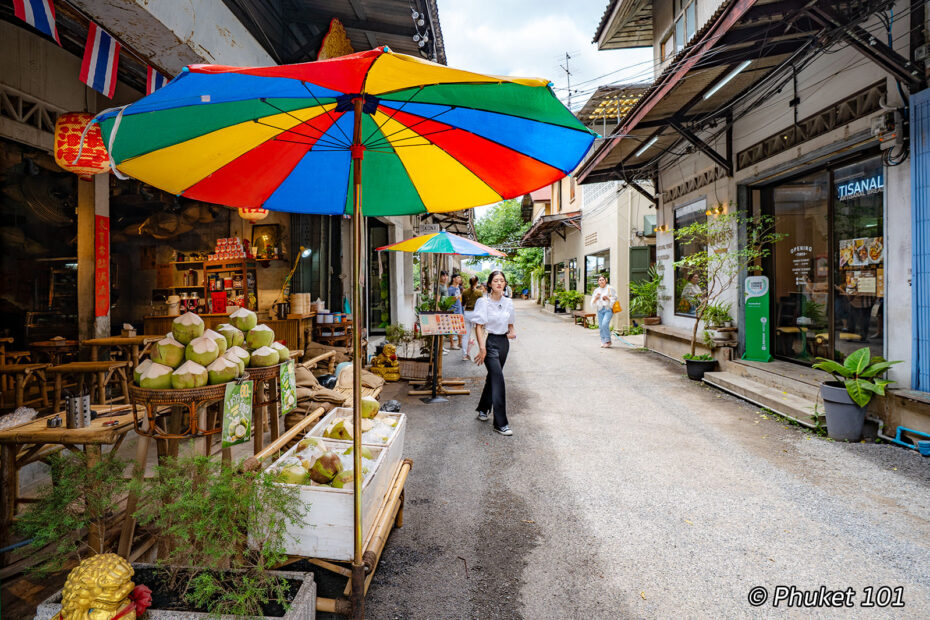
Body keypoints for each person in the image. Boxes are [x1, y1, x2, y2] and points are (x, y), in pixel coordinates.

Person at [473, 270, 516, 436]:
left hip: (503, 343)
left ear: (505, 284)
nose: (499, 283)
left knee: (493, 377)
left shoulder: (508, 303)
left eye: (502, 280)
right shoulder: (483, 302)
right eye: (496, 280)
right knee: (498, 379)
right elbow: (478, 325)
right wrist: (482, 348)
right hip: (489, 343)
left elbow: (511, 323)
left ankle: (483, 408)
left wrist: (512, 331)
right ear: (490, 284)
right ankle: (501, 423)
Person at [461, 275, 484, 361]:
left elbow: (462, 304)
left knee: (465, 336)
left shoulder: (464, 292)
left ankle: (464, 355)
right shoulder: (479, 292)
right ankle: (477, 353)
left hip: (467, 313)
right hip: (476, 314)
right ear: (477, 282)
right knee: (477, 334)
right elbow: (481, 304)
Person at [592, 274, 618, 348]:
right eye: (600, 280)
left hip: (608, 309)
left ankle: (608, 341)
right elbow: (592, 302)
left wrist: (608, 299)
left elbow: (615, 297)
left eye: (603, 280)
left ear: (605, 280)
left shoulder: (610, 288)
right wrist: (596, 298)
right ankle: (603, 341)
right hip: (600, 310)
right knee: (601, 326)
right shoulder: (596, 290)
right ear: (598, 282)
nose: (601, 281)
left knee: (604, 324)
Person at [447, 273, 464, 349]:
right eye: (458, 277)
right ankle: (452, 344)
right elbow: (449, 299)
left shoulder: (458, 287)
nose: (459, 279)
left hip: (459, 309)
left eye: (460, 277)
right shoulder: (450, 289)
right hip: (453, 310)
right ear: (454, 279)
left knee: (460, 327)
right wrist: (457, 297)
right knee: (452, 328)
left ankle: (460, 343)